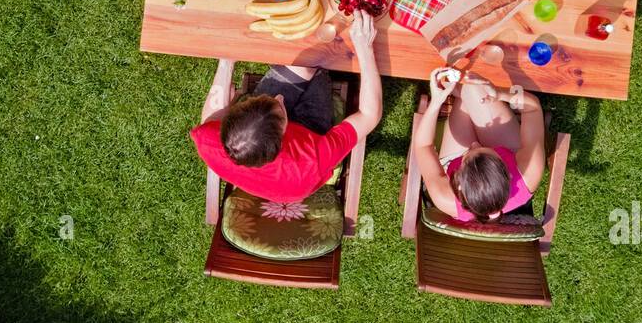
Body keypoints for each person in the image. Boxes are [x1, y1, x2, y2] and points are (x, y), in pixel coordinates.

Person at [190, 11, 381, 203]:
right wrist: (365, 49)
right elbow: (369, 115)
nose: (280, 98)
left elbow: (210, 118)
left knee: (306, 62)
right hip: (310, 131)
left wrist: (226, 63)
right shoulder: (311, 161)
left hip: (274, 145)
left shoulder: (208, 141)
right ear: (283, 137)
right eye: (281, 107)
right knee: (318, 63)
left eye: (265, 100)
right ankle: (320, 72)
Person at [410, 68, 546, 222]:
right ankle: (462, 94)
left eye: (467, 155)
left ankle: (462, 95)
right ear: (508, 173)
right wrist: (501, 94)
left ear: (459, 184)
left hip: (453, 160)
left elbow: (423, 146)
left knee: (469, 91)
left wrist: (436, 103)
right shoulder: (528, 172)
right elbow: (533, 108)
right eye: (482, 149)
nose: (474, 144)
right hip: (510, 149)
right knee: (473, 88)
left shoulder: (445, 197)